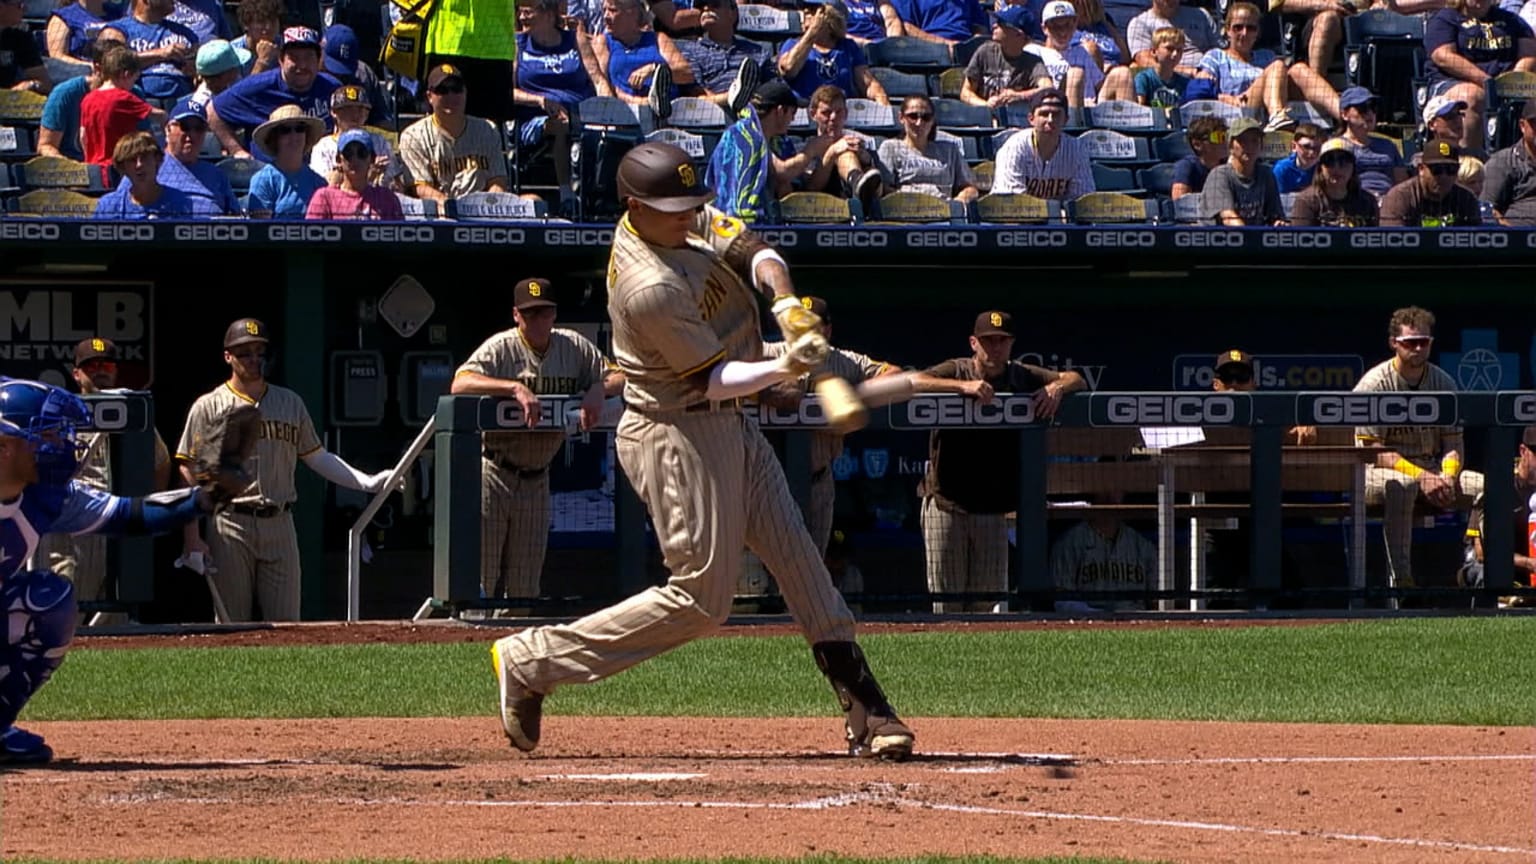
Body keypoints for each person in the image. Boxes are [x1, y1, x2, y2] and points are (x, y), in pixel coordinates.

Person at [488, 142, 916, 761]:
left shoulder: (676, 215)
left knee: (801, 561)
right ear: (634, 207)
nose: (689, 217)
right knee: (702, 599)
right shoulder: (646, 286)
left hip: (729, 421)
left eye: (693, 205)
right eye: (674, 209)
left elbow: (752, 249)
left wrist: (785, 303)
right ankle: (533, 661)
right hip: (676, 431)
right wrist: (785, 366)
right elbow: (708, 380)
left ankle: (868, 709)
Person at [0, 379, 241, 764]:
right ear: (4, 445)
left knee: (49, 602)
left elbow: (131, 515)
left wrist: (207, 497)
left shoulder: (48, 496)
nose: (61, 445)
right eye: (45, 434)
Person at [176, 318, 394, 622]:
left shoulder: (289, 403)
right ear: (228, 356)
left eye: (258, 352)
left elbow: (317, 457)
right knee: (230, 626)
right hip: (229, 523)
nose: (253, 360)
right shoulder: (209, 406)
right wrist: (192, 536)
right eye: (244, 353)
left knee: (288, 627)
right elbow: (188, 469)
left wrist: (365, 482)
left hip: (279, 521)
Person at [449, 277, 619, 609]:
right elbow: (460, 383)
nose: (538, 320)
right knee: (481, 576)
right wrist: (512, 388)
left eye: (544, 313)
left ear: (554, 314)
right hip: (495, 471)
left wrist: (599, 388)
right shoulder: (501, 347)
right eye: (530, 314)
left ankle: (516, 651)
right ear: (516, 315)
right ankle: (473, 644)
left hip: (538, 476)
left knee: (525, 585)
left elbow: (620, 375)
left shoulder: (573, 346)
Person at [908, 310, 1086, 613]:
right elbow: (913, 381)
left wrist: (1056, 387)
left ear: (1011, 343)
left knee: (986, 605)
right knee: (946, 605)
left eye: (1002, 341)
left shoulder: (1020, 375)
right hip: (946, 503)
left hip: (991, 509)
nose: (995, 348)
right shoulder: (958, 370)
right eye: (988, 341)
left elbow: (1076, 379)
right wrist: (961, 387)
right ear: (974, 343)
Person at [30, 339, 173, 627]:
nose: (100, 371)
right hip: (72, 529)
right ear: (77, 374)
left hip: (114, 523)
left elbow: (162, 462)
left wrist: (149, 508)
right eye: (91, 366)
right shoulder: (58, 415)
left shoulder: (133, 413)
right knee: (61, 618)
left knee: (115, 623)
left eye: (106, 365)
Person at [1354, 306, 1483, 597]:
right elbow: (1373, 450)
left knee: (1485, 487)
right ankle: (1401, 583)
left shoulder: (1443, 383)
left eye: (1423, 342)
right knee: (1405, 485)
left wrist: (1448, 477)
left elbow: (1453, 443)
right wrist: (1423, 476)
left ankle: (1477, 567)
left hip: (1431, 469)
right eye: (1410, 342)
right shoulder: (1375, 384)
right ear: (1393, 344)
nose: (1417, 348)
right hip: (1375, 473)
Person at [762, 297, 898, 556]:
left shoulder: (844, 362)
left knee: (812, 566)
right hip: (768, 481)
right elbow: (726, 368)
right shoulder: (770, 353)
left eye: (815, 326)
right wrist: (763, 392)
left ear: (828, 330)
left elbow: (893, 373)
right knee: (762, 572)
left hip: (818, 481)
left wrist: (845, 396)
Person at [1195, 1, 1339, 132]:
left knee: (1298, 69)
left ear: (1257, 33)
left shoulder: (1266, 56)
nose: (1244, 33)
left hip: (1264, 109)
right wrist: (1222, 97)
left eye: (1251, 28)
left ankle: (1344, 113)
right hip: (1237, 110)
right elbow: (1198, 92)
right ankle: (1277, 115)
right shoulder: (1215, 56)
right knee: (1277, 66)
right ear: (1227, 30)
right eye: (1238, 27)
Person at [512, 0, 599, 210]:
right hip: (536, 119)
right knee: (561, 125)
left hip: (581, 113)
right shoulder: (518, 44)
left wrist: (610, 107)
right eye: (520, 13)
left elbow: (597, 79)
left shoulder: (574, 39)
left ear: (549, 16)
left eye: (528, 12)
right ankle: (567, 195)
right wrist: (540, 100)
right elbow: (507, 91)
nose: (522, 18)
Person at [208, 27, 340, 160]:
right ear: (281, 60)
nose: (302, 65)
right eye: (294, 58)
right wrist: (236, 150)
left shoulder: (332, 87)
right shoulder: (258, 87)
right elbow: (212, 111)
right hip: (268, 172)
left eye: (309, 57)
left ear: (318, 61)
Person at [1423, 0, 1536, 153]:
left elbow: (1529, 54)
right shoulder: (1445, 18)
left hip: (1506, 87)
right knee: (1472, 96)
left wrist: (1513, 80)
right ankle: (1469, 162)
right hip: (1451, 84)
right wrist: (1486, 81)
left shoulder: (1512, 20)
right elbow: (1443, 56)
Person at [399, 64, 511, 202]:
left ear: (465, 92)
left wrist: (491, 203)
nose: (451, 96)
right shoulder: (413, 136)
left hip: (481, 211)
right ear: (429, 96)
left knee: (534, 200)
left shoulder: (488, 130)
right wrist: (449, 205)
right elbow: (420, 188)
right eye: (442, 90)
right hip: (437, 216)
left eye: (456, 89)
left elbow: (498, 180)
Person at [706, 78, 806, 221]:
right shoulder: (748, 138)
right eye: (792, 112)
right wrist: (812, 150)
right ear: (780, 111)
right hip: (739, 222)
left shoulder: (760, 135)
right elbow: (783, 172)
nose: (793, 118)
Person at [1459, 426, 1536, 607]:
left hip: (1529, 569)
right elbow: (1484, 552)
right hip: (1490, 568)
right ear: (1523, 451)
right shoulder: (1499, 485)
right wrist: (1530, 563)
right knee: (1489, 574)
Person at [1049, 495, 1155, 613]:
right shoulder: (1069, 543)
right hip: (1089, 622)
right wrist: (1098, 615)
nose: (1110, 494)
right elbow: (1062, 601)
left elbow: (1157, 602)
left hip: (1136, 621)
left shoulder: (1142, 546)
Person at [778, 0, 890, 105]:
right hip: (805, 110)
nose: (806, 12)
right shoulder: (792, 44)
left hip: (839, 113)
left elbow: (868, 84)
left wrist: (883, 105)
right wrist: (812, 34)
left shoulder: (848, 47)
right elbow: (788, 69)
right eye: (805, 9)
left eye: (813, 10)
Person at [591, 0, 692, 113]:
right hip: (626, 112)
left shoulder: (658, 39)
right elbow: (602, 83)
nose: (605, 16)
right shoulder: (603, 42)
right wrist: (636, 102)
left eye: (613, 10)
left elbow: (687, 73)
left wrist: (654, 69)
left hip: (668, 111)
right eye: (604, 10)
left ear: (632, 13)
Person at [991, 87, 1094, 198]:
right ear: (1031, 119)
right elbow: (1013, 204)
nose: (1050, 120)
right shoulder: (1014, 148)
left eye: (1056, 114)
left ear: (1066, 120)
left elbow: (1082, 199)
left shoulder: (1076, 150)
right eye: (1044, 114)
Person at [93, 131, 221, 218]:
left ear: (157, 160)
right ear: (123, 167)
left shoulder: (179, 201)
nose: (139, 165)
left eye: (145, 158)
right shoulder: (108, 204)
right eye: (132, 160)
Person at [877, 94, 978, 202]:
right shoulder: (890, 148)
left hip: (944, 211)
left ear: (933, 120)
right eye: (913, 116)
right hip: (905, 209)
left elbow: (970, 188)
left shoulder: (950, 150)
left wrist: (957, 203)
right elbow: (883, 189)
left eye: (926, 117)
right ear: (901, 118)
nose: (919, 123)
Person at [801, 84, 886, 210]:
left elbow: (880, 186)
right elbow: (811, 188)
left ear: (846, 114)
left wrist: (866, 159)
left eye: (839, 112)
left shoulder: (860, 142)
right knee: (844, 153)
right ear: (813, 114)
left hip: (857, 207)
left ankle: (858, 182)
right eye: (826, 113)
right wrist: (832, 152)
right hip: (820, 208)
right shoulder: (806, 149)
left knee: (847, 153)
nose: (833, 118)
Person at [39, 36, 124, 161]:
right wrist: (74, 168)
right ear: (97, 68)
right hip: (74, 167)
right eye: (115, 72)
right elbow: (46, 146)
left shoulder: (132, 93)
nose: (122, 78)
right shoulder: (65, 93)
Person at [80, 47, 165, 167]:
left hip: (93, 168)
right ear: (126, 74)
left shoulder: (87, 99)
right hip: (118, 167)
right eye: (134, 79)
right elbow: (160, 115)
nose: (133, 85)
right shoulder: (123, 98)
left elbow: (83, 136)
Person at [960, 5, 1055, 110]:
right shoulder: (985, 51)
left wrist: (1019, 95)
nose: (994, 25)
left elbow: (1048, 89)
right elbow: (966, 93)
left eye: (1001, 23)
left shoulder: (1033, 62)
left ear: (1018, 34)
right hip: (983, 120)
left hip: (1017, 121)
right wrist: (986, 105)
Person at [309, 85, 403, 190]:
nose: (354, 115)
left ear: (367, 113)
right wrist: (366, 175)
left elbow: (397, 184)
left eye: (360, 109)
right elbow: (322, 188)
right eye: (347, 109)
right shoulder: (323, 146)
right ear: (334, 112)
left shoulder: (380, 142)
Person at [106, 0, 197, 101]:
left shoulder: (185, 32)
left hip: (183, 99)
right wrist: (161, 53)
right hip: (140, 99)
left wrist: (193, 67)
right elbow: (112, 63)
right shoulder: (118, 30)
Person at [245, 104, 327, 218]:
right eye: (285, 130)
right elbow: (260, 229)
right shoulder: (263, 180)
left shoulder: (319, 182)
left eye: (299, 129)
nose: (294, 136)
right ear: (274, 138)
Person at [1201, 116, 1286, 225]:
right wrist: (1251, 237)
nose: (1249, 146)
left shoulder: (1266, 174)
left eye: (1254, 141)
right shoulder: (1219, 175)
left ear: (1261, 145)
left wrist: (1279, 223)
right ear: (1231, 145)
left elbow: (1274, 215)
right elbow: (1228, 218)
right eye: (1242, 141)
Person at [305, 129, 406, 219]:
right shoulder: (325, 197)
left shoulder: (386, 198)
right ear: (338, 160)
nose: (355, 159)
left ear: (372, 159)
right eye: (348, 154)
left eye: (361, 153)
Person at [1379, 140, 1483, 226]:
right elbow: (1393, 244)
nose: (1444, 176)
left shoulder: (1466, 199)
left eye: (1451, 169)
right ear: (1421, 169)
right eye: (1437, 170)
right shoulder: (1400, 197)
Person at [1289, 136, 1378, 226]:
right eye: (1329, 161)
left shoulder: (1367, 202)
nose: (1336, 167)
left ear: (1353, 167)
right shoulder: (1306, 201)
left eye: (1343, 161)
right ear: (1320, 168)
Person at [1333, 87, 1406, 197]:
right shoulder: (1336, 146)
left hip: (1387, 203)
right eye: (1362, 108)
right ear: (1344, 114)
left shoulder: (1388, 145)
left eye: (1373, 107)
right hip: (1353, 202)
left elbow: (1402, 183)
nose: (1370, 113)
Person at [1481, 99, 1536, 225]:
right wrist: (1512, 233)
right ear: (1522, 126)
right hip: (1517, 239)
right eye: (1535, 123)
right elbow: (1486, 209)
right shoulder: (1502, 161)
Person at [1133, 26, 1192, 109]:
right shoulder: (1144, 78)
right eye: (1169, 49)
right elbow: (1139, 108)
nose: (1175, 54)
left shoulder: (1185, 82)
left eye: (1179, 50)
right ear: (1154, 51)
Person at [1170, 114, 1227, 199]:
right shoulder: (1186, 167)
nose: (1224, 142)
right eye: (1217, 137)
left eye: (1225, 136)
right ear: (1197, 144)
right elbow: (1179, 202)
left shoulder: (1228, 165)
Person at [47, 0, 124, 62]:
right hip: (83, 74)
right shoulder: (63, 16)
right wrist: (90, 66)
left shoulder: (119, 13)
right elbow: (57, 56)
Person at [1271, 122, 1321, 193]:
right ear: (1294, 146)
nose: (1312, 152)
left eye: (1317, 148)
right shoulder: (1282, 169)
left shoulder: (1324, 168)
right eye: (1306, 147)